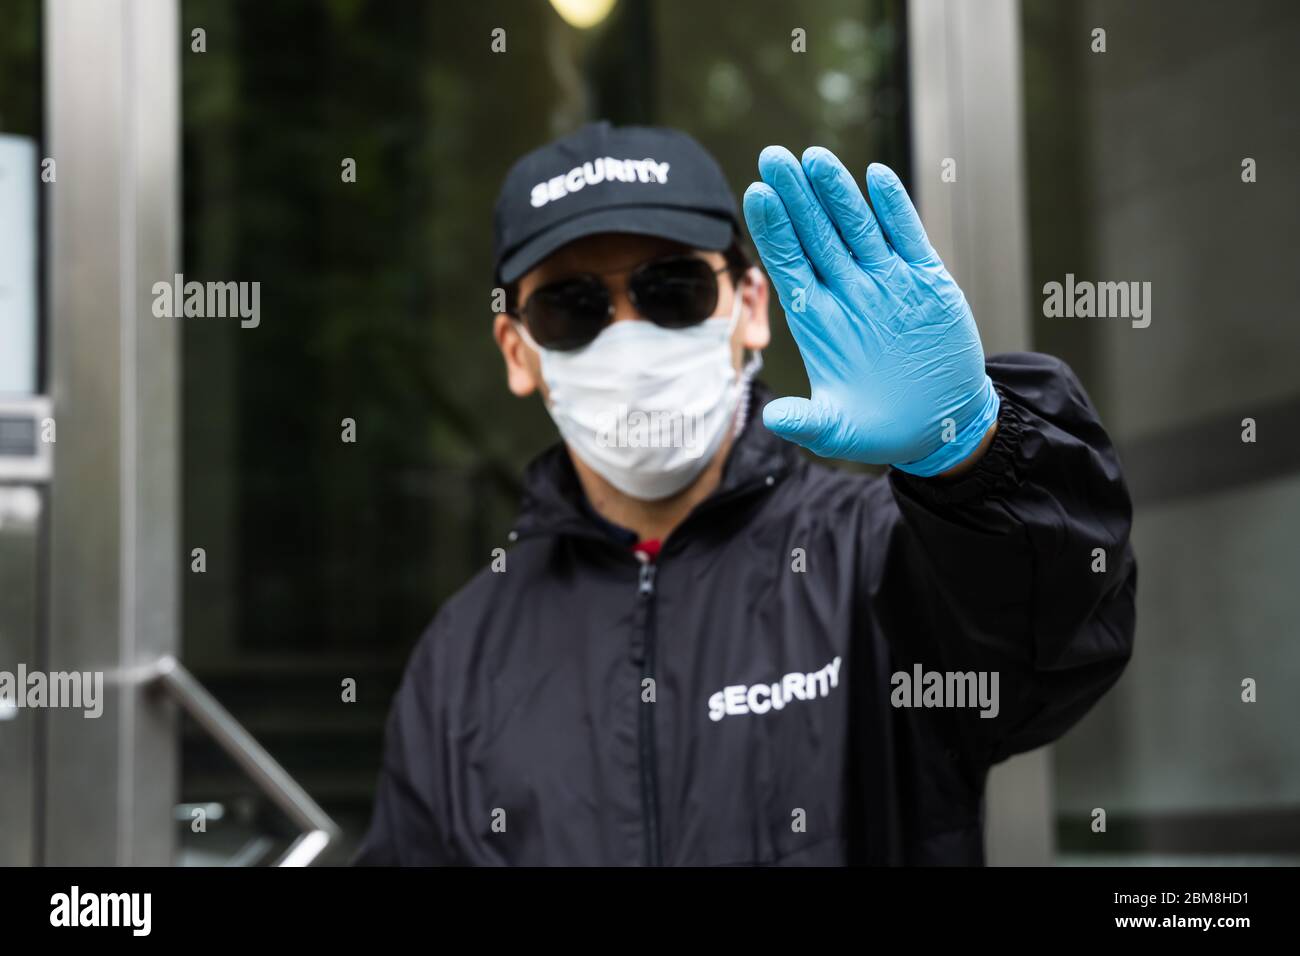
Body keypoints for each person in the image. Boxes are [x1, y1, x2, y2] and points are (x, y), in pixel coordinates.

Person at [355, 122, 1136, 865]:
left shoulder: (882, 555)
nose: (628, 334)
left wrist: (973, 455)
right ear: (516, 349)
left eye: (673, 288)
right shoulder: (460, 659)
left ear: (750, 307)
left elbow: (1053, 649)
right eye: (573, 306)